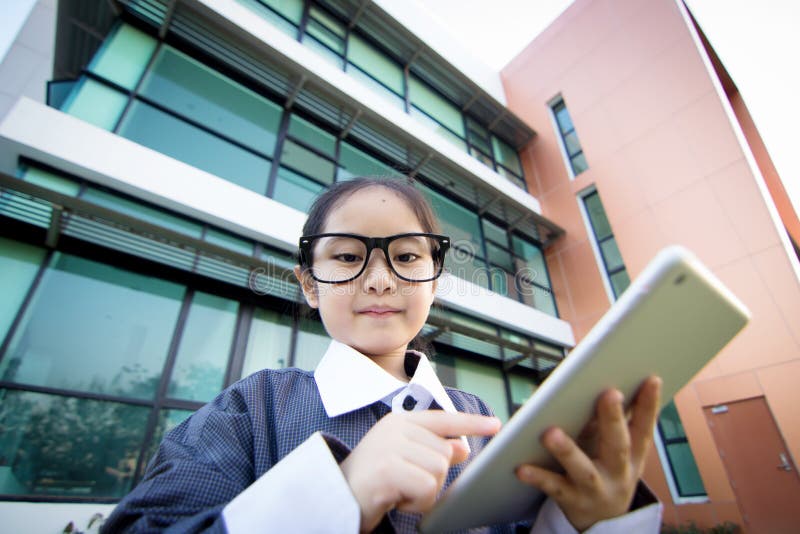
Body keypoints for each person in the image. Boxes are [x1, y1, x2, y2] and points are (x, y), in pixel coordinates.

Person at [102, 177, 663, 533]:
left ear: (434, 280)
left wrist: (587, 523)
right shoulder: (251, 410)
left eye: (405, 256)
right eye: (347, 257)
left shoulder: (486, 429)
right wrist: (340, 497)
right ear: (309, 285)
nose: (377, 280)